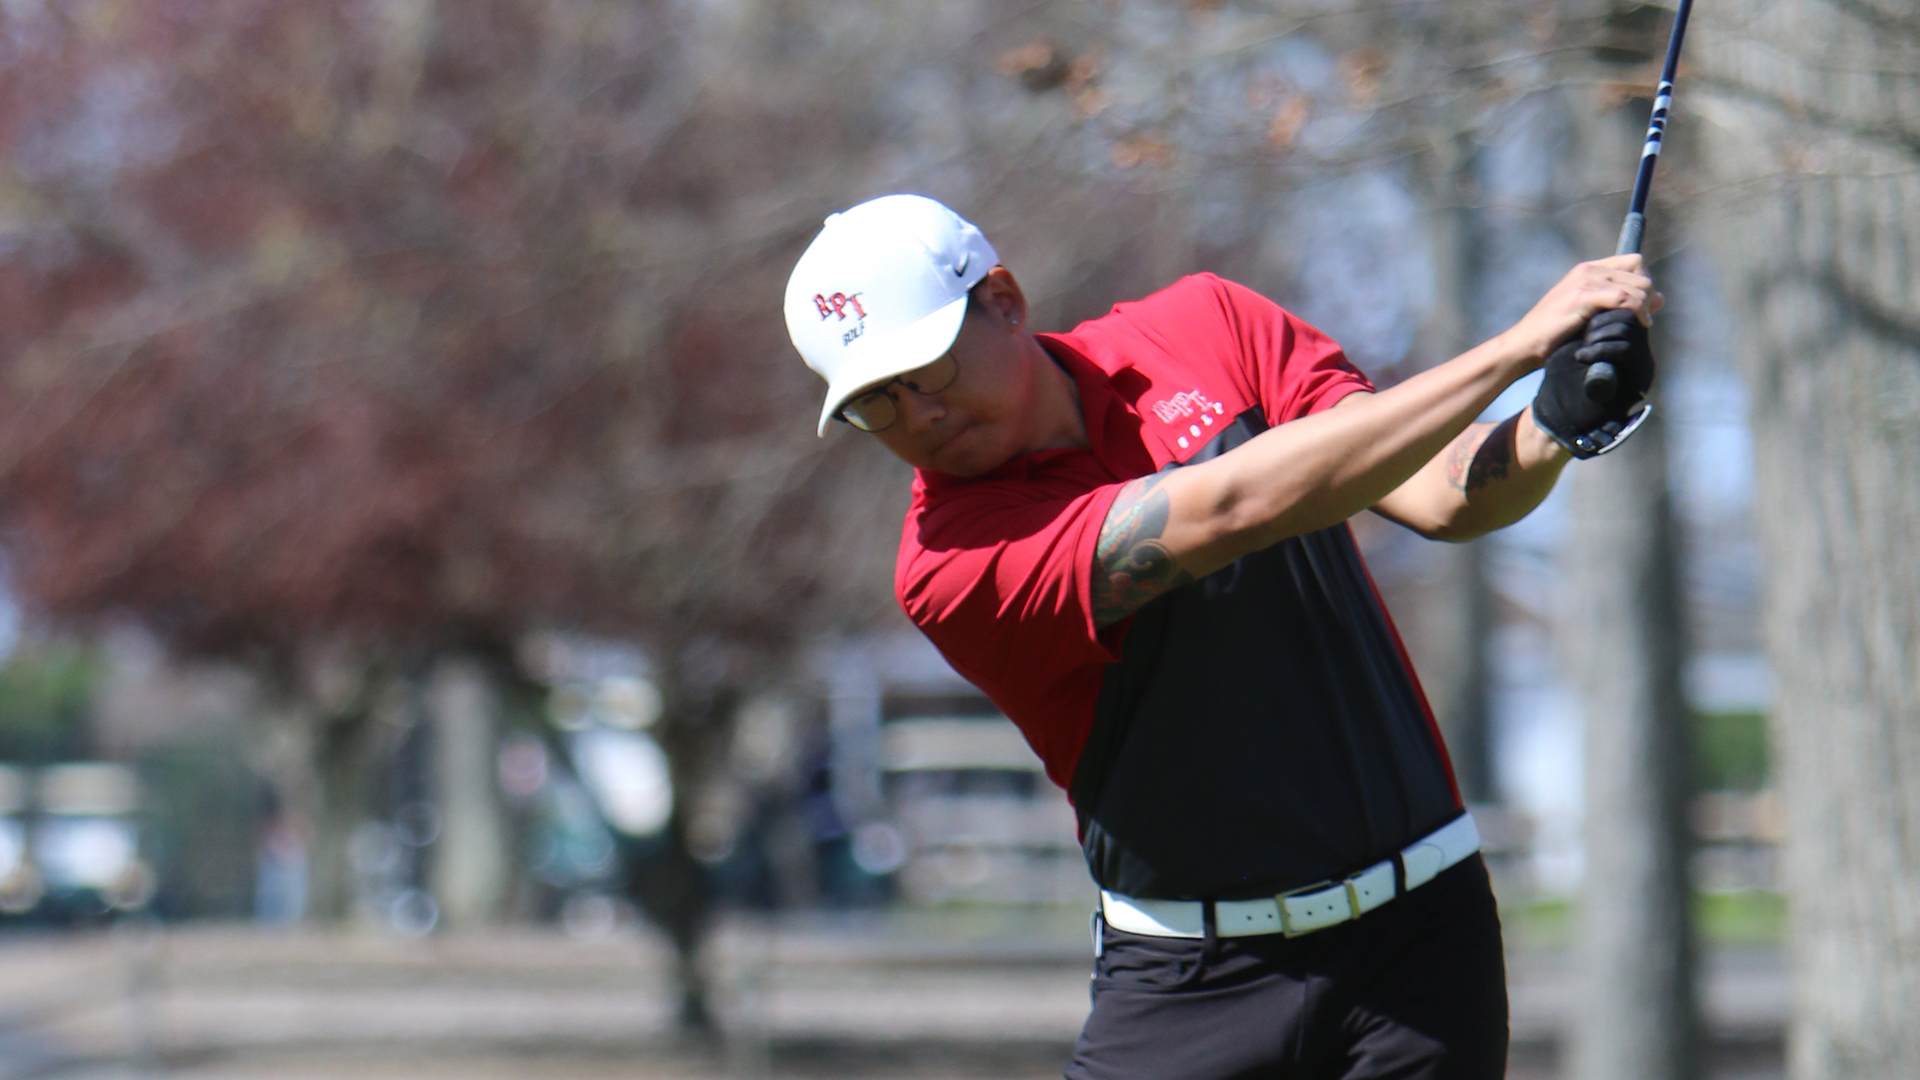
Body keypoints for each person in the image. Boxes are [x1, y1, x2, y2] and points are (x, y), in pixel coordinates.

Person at [782, 194, 1658, 1080]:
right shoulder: (951, 559)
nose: (916, 417)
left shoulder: (1205, 325)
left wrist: (1550, 424)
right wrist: (1515, 348)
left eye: (924, 370)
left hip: (1421, 947)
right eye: (874, 404)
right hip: (1193, 984)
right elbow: (1234, 505)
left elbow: (1435, 490)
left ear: (1003, 300)